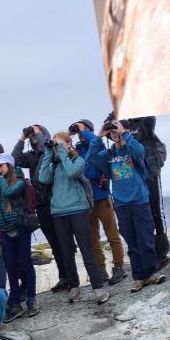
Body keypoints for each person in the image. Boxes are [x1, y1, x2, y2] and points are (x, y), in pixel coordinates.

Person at [83, 120, 163, 292]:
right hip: (121, 204)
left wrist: (124, 133)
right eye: (111, 131)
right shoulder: (108, 155)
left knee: (145, 238)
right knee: (132, 242)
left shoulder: (134, 149)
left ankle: (152, 273)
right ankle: (139, 277)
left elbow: (139, 151)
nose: (114, 132)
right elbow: (90, 158)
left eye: (116, 129)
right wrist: (99, 135)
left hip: (140, 201)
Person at [36, 130, 110, 304]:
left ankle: (98, 287)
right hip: (59, 212)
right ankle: (74, 285)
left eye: (60, 144)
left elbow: (71, 172)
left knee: (87, 250)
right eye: (55, 145)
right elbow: (43, 178)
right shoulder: (54, 164)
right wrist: (48, 153)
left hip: (77, 210)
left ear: (69, 144)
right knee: (67, 252)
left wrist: (62, 151)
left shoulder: (78, 160)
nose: (57, 148)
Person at [0, 152, 40, 320]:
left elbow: (10, 192)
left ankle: (31, 300)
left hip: (20, 227)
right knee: (10, 267)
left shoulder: (19, 181)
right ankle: (16, 303)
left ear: (8, 166)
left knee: (26, 264)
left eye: (0, 165)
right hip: (6, 231)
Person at [73, 119, 127, 286]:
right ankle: (101, 269)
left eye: (82, 130)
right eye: (78, 131)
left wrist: (84, 130)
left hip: (102, 197)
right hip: (86, 201)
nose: (79, 133)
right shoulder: (77, 151)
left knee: (112, 235)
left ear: (89, 130)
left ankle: (119, 267)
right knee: (92, 239)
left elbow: (96, 145)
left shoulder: (98, 145)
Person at [13, 125, 67, 290]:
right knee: (54, 244)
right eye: (32, 134)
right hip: (42, 205)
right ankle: (64, 277)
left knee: (64, 242)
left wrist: (38, 132)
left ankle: (71, 277)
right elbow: (15, 158)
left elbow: (46, 148)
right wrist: (22, 137)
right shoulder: (31, 156)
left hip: (57, 202)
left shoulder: (52, 152)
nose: (33, 136)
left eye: (36, 133)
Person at [124, 115, 170, 266]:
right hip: (134, 174)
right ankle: (150, 253)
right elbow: (110, 127)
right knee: (144, 213)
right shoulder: (125, 125)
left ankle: (162, 253)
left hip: (150, 171)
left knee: (156, 211)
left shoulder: (145, 122)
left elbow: (150, 116)